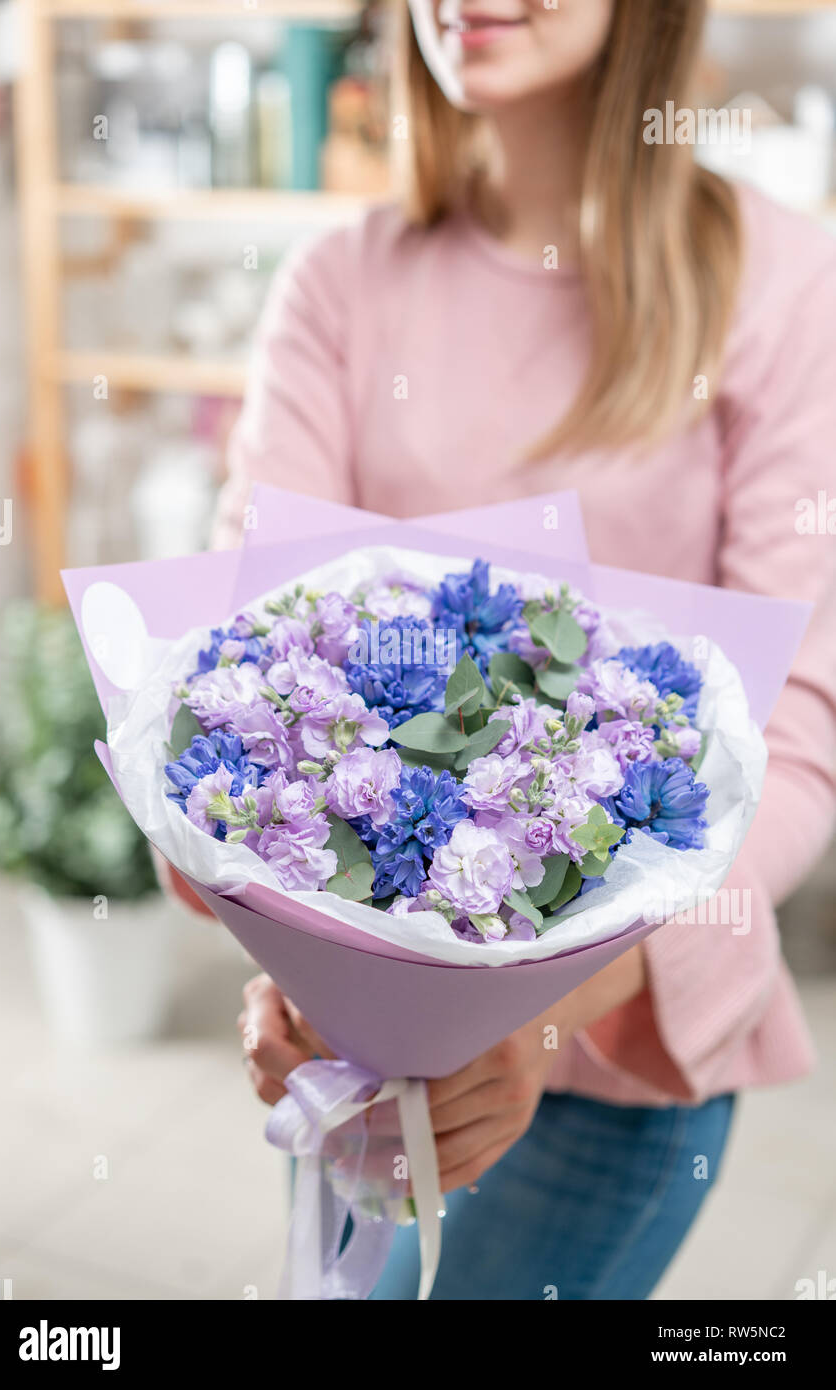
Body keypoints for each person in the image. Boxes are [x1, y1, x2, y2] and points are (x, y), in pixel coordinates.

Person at [178, 0, 836, 1299]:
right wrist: (306, 979)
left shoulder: (782, 284)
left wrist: (531, 1013)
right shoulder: (341, 286)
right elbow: (230, 687)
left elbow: (797, 732)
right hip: (358, 1042)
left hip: (608, 1073)